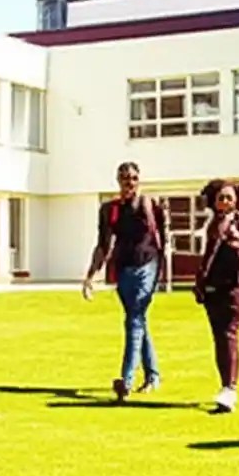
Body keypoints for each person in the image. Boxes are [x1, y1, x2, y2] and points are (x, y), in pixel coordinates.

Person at [82, 161, 168, 403]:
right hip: (123, 270)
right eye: (124, 178)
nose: (129, 182)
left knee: (134, 321)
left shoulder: (150, 205)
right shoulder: (110, 209)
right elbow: (103, 245)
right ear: (118, 181)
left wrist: (162, 275)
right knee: (137, 322)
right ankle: (153, 375)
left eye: (132, 178)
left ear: (139, 179)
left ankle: (126, 381)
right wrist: (90, 276)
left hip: (147, 267)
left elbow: (164, 241)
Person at [194, 179, 239, 413]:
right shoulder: (213, 223)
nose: (225, 202)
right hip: (214, 289)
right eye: (221, 198)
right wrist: (201, 283)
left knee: (229, 334)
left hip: (235, 288)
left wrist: (236, 245)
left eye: (229, 197)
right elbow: (208, 256)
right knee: (220, 338)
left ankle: (230, 388)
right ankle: (225, 385)